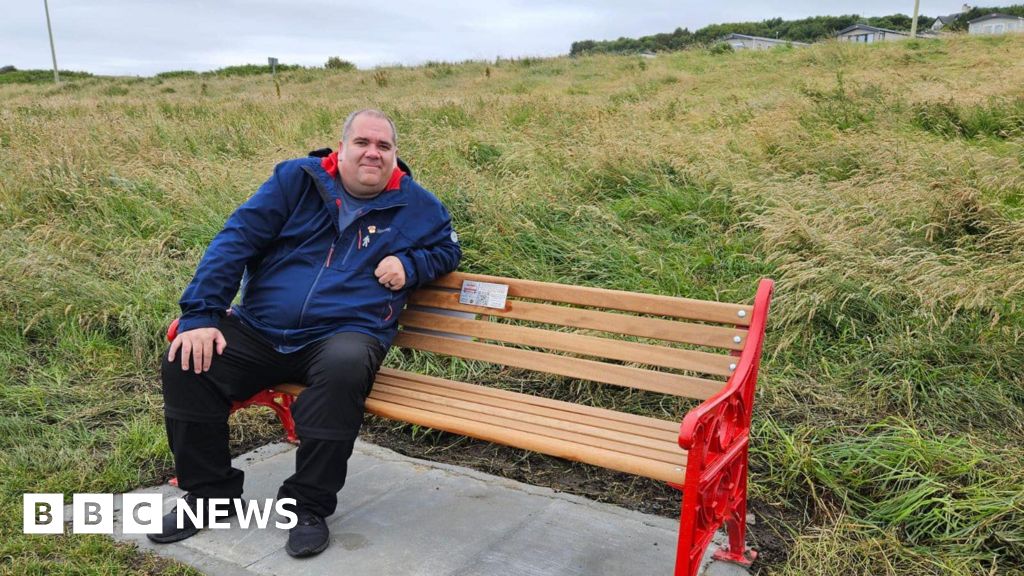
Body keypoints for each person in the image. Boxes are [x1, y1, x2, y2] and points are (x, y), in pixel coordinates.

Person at [149, 109, 461, 557]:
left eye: (384, 146)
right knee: (187, 361)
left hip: (344, 333)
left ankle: (307, 505)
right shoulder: (295, 180)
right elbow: (234, 240)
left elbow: (448, 250)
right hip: (259, 328)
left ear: (395, 155)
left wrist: (412, 265)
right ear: (342, 148)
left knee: (345, 367)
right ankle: (209, 496)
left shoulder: (417, 205)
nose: (373, 152)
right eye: (362, 143)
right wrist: (201, 315)